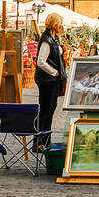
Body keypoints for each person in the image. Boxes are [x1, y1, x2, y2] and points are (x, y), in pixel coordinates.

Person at [33, 15, 65, 149]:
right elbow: (40, 61)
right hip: (47, 81)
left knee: (50, 110)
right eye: (59, 23)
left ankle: (45, 141)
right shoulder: (46, 40)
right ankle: (39, 142)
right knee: (46, 110)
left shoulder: (54, 39)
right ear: (54, 24)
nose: (61, 26)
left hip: (53, 81)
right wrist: (54, 72)